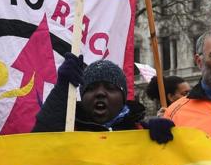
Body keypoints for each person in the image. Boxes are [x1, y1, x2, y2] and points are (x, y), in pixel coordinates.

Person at [33, 55, 175, 142]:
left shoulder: (141, 132)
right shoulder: (67, 130)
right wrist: (62, 88)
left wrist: (163, 140)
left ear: (123, 97)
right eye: (91, 88)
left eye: (110, 88)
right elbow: (38, 144)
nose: (100, 93)